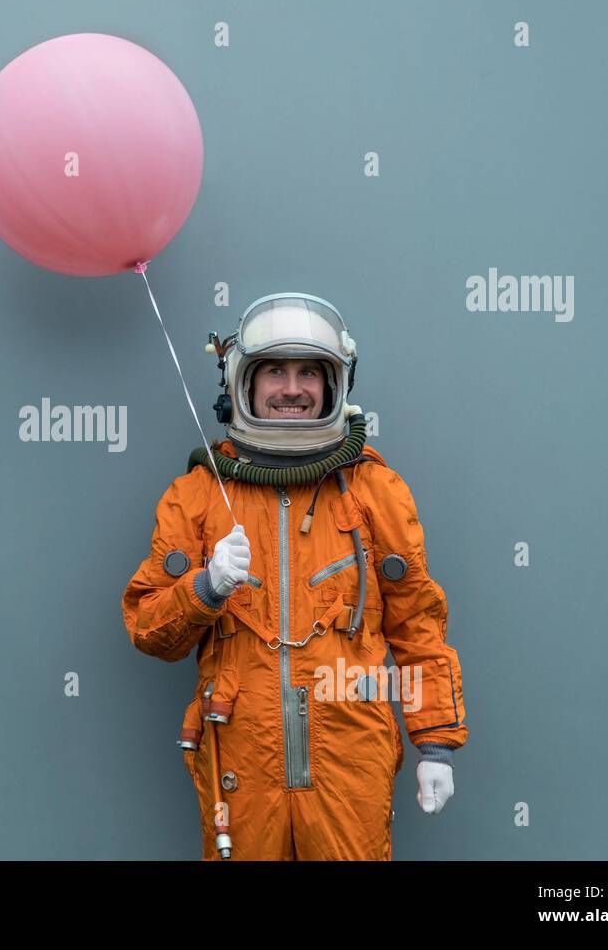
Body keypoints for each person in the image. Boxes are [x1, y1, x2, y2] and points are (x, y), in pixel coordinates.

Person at [121, 292, 467, 860]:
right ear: (242, 383)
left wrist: (436, 744)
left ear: (335, 386)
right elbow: (148, 630)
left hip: (350, 757)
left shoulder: (374, 491)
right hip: (240, 756)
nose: (291, 388)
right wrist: (204, 588)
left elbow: (418, 628)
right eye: (274, 371)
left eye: (310, 372)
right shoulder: (201, 494)